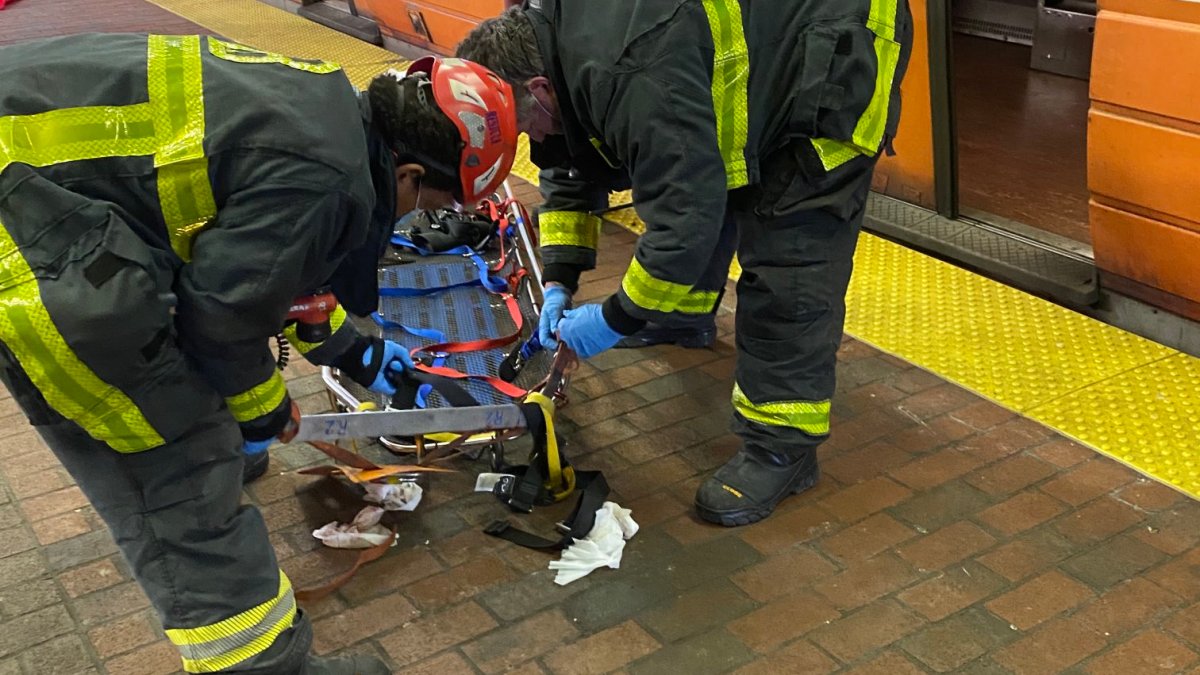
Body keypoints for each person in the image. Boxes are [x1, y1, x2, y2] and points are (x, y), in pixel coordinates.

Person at [0, 34, 516, 674]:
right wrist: (264, 412)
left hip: (44, 203)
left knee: (208, 412)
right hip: (33, 256)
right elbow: (222, 314)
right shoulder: (327, 182)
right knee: (179, 474)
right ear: (410, 175)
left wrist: (354, 353)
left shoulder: (326, 106)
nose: (421, 221)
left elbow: (262, 265)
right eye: (436, 205)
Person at [457, 0, 913, 527]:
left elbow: (685, 218)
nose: (531, 138)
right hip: (757, 46)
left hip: (834, 47)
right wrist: (559, 278)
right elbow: (569, 161)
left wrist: (616, 318)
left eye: (524, 127)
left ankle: (782, 448)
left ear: (539, 89)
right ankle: (681, 317)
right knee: (701, 173)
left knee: (791, 259)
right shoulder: (557, 42)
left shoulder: (625, 66)